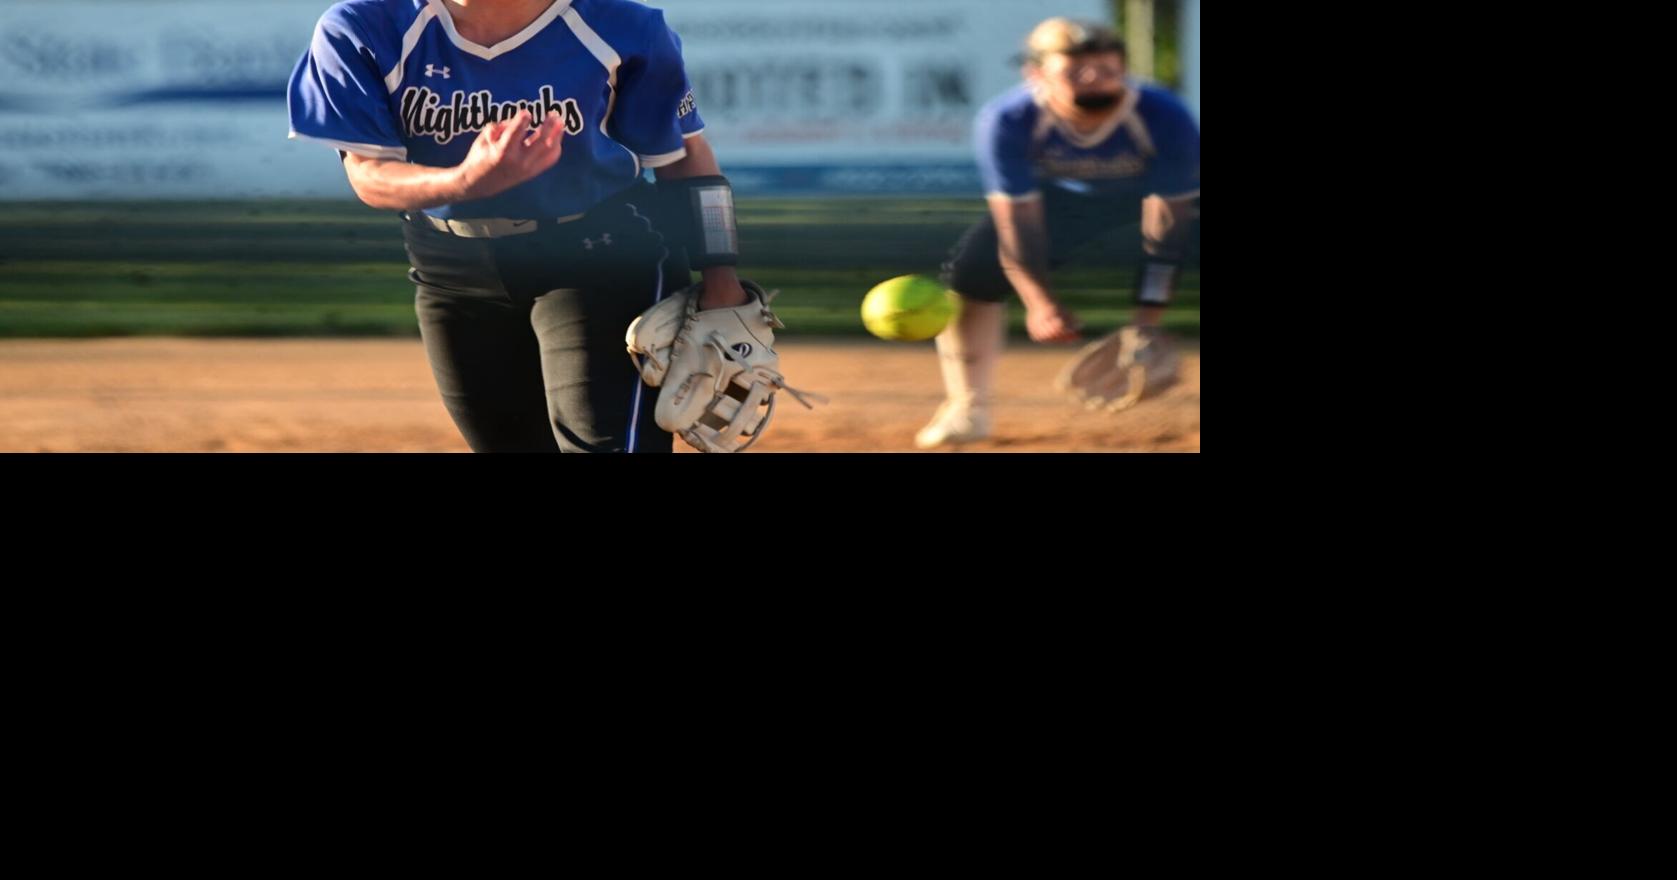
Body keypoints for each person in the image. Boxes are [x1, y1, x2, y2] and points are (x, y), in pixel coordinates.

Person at [288, 0, 758, 453]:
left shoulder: (619, 25)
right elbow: (369, 175)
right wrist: (465, 181)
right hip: (451, 272)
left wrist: (722, 282)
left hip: (602, 258)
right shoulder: (363, 27)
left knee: (604, 442)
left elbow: (685, 159)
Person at [916, 17, 1200, 449]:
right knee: (972, 273)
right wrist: (1040, 303)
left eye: (1107, 67)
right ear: (1036, 73)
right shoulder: (1009, 119)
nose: (1094, 78)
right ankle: (967, 408)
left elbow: (1168, 226)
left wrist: (1146, 322)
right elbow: (1018, 222)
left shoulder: (1163, 114)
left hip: (1159, 203)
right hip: (1066, 205)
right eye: (1075, 68)